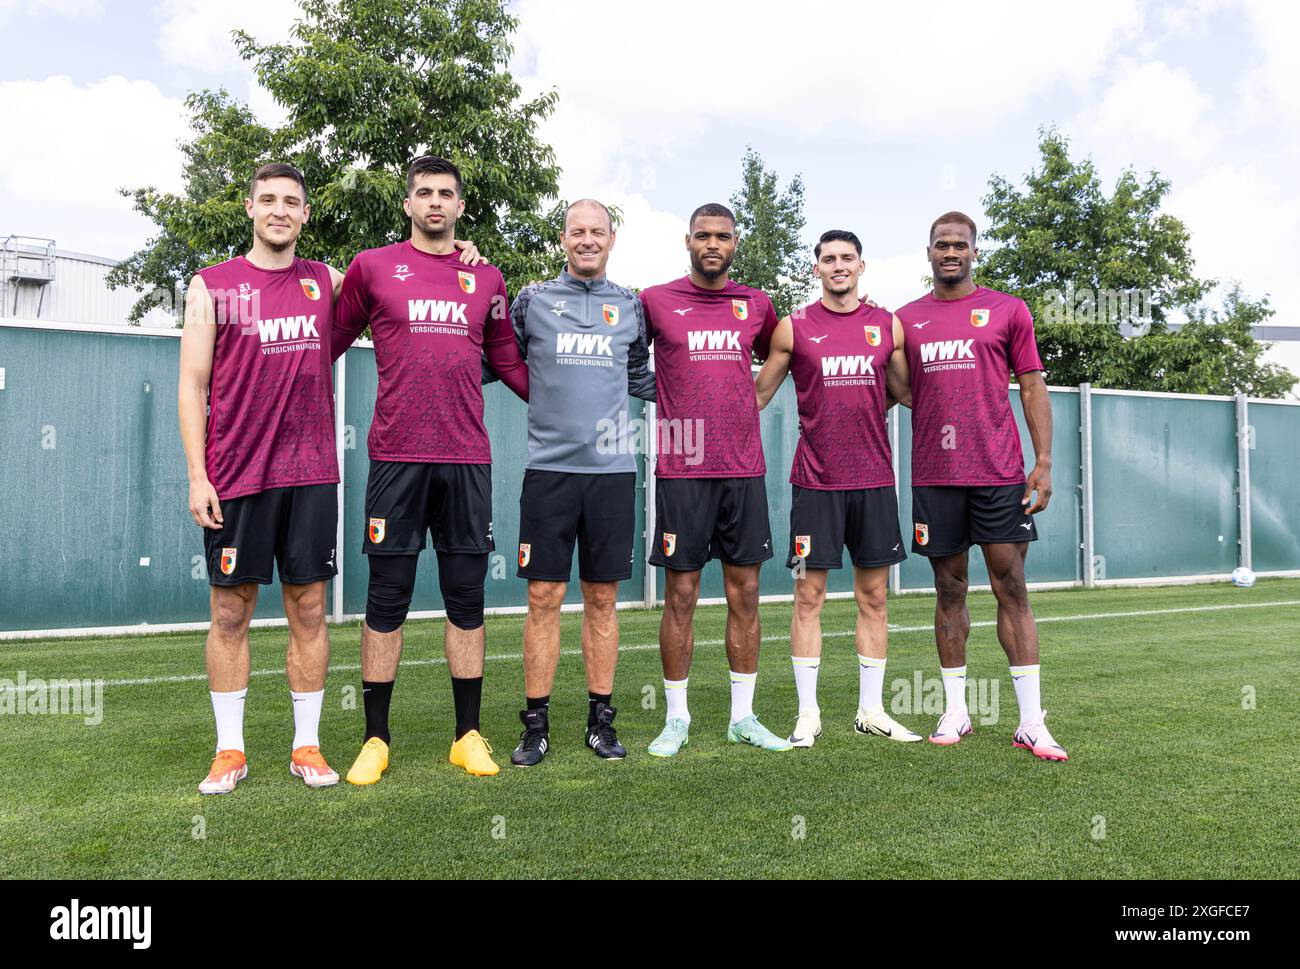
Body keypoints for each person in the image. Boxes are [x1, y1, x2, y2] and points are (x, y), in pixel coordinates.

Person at [332, 156, 527, 782]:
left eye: (446, 193)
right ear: (408, 204)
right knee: (384, 599)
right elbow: (323, 343)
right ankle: (375, 740)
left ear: (462, 206)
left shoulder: (487, 278)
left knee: (466, 601)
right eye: (424, 193)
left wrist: (581, 387)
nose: (435, 202)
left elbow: (510, 363)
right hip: (395, 457)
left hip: (467, 459)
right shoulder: (373, 268)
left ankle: (467, 735)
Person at [180, 162, 342, 794]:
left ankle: (308, 746)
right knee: (228, 613)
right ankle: (229, 752)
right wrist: (198, 475)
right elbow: (192, 388)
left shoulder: (327, 282)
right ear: (249, 209)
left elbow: (396, 281)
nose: (280, 209)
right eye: (268, 199)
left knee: (308, 607)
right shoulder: (211, 287)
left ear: (305, 214)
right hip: (236, 475)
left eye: (291, 202)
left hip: (310, 476)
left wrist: (460, 250)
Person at [894, 211, 1066, 761]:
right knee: (949, 590)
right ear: (928, 253)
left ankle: (1032, 722)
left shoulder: (1007, 310)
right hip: (935, 477)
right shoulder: (905, 320)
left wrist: (1042, 461)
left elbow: (1032, 384)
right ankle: (956, 710)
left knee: (1010, 586)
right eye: (940, 244)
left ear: (974, 251)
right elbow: (897, 386)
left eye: (959, 245)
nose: (950, 252)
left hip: (997, 475)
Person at [755, 229, 922, 746]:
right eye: (828, 259)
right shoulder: (794, 327)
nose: (838, 266)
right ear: (817, 269)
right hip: (815, 486)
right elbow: (755, 396)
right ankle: (808, 715)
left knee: (874, 597)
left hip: (873, 484)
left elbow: (904, 393)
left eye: (847, 257)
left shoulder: (886, 325)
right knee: (808, 595)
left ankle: (870, 710)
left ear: (861, 266)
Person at [638, 202, 791, 757]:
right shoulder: (654, 301)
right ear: (687, 241)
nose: (712, 244)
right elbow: (628, 359)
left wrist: (757, 397)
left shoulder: (755, 304)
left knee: (746, 594)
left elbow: (787, 344)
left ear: (734, 243)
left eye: (722, 236)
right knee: (681, 595)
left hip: (743, 470)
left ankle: (742, 717)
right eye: (702, 235)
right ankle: (676, 718)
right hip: (682, 471)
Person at [507, 199, 656, 766]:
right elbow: (501, 358)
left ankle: (601, 722)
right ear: (564, 238)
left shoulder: (632, 307)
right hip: (549, 473)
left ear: (611, 239)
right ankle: (535, 726)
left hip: (613, 475)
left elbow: (640, 375)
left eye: (597, 231)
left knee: (602, 598)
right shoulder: (532, 301)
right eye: (578, 231)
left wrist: (706, 387)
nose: (587, 240)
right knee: (543, 597)